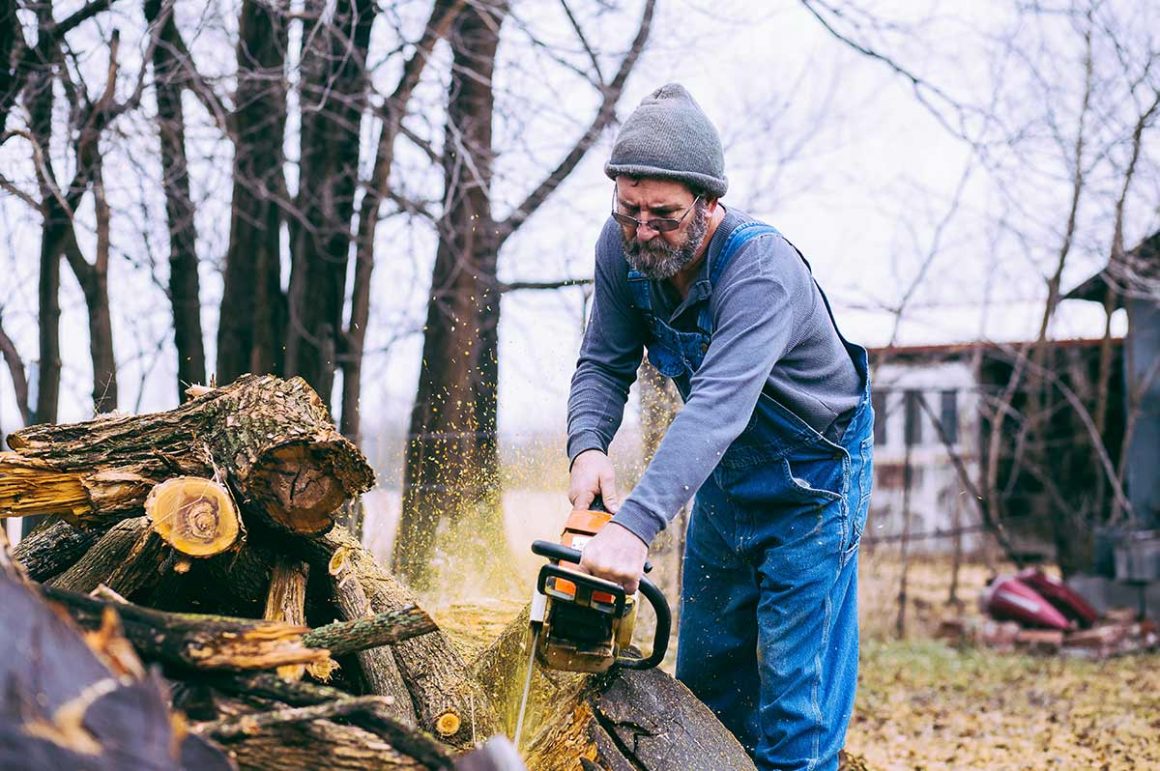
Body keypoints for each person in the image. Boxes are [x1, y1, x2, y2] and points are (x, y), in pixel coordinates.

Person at [566, 83, 874, 770]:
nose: (643, 232)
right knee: (706, 691)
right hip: (727, 475)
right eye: (628, 211)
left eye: (664, 217)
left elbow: (717, 407)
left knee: (795, 709)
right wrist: (586, 445)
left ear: (709, 204)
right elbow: (601, 361)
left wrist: (633, 525)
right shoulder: (622, 254)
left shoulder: (761, 270)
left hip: (813, 481)